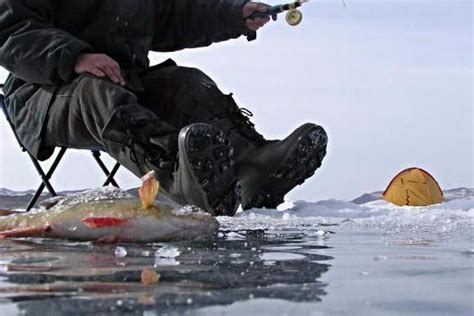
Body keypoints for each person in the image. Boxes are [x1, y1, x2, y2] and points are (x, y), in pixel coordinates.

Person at [0, 0, 328, 216]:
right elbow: (8, 27)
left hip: (124, 82)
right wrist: (74, 58)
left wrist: (233, 15)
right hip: (44, 93)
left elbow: (173, 16)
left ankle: (253, 167)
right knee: (97, 93)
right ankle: (178, 174)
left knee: (186, 83)